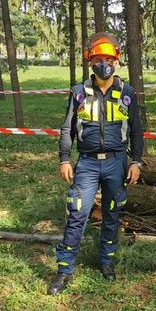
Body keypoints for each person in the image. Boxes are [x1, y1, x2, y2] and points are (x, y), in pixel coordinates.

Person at [48, 32, 144, 295]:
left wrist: (136, 161)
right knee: (77, 214)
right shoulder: (79, 92)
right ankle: (64, 271)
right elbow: (67, 127)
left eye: (109, 58)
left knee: (112, 213)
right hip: (87, 164)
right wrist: (65, 159)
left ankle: (107, 262)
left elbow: (137, 130)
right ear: (90, 61)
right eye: (99, 58)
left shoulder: (127, 93)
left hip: (117, 163)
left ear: (117, 60)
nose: (104, 63)